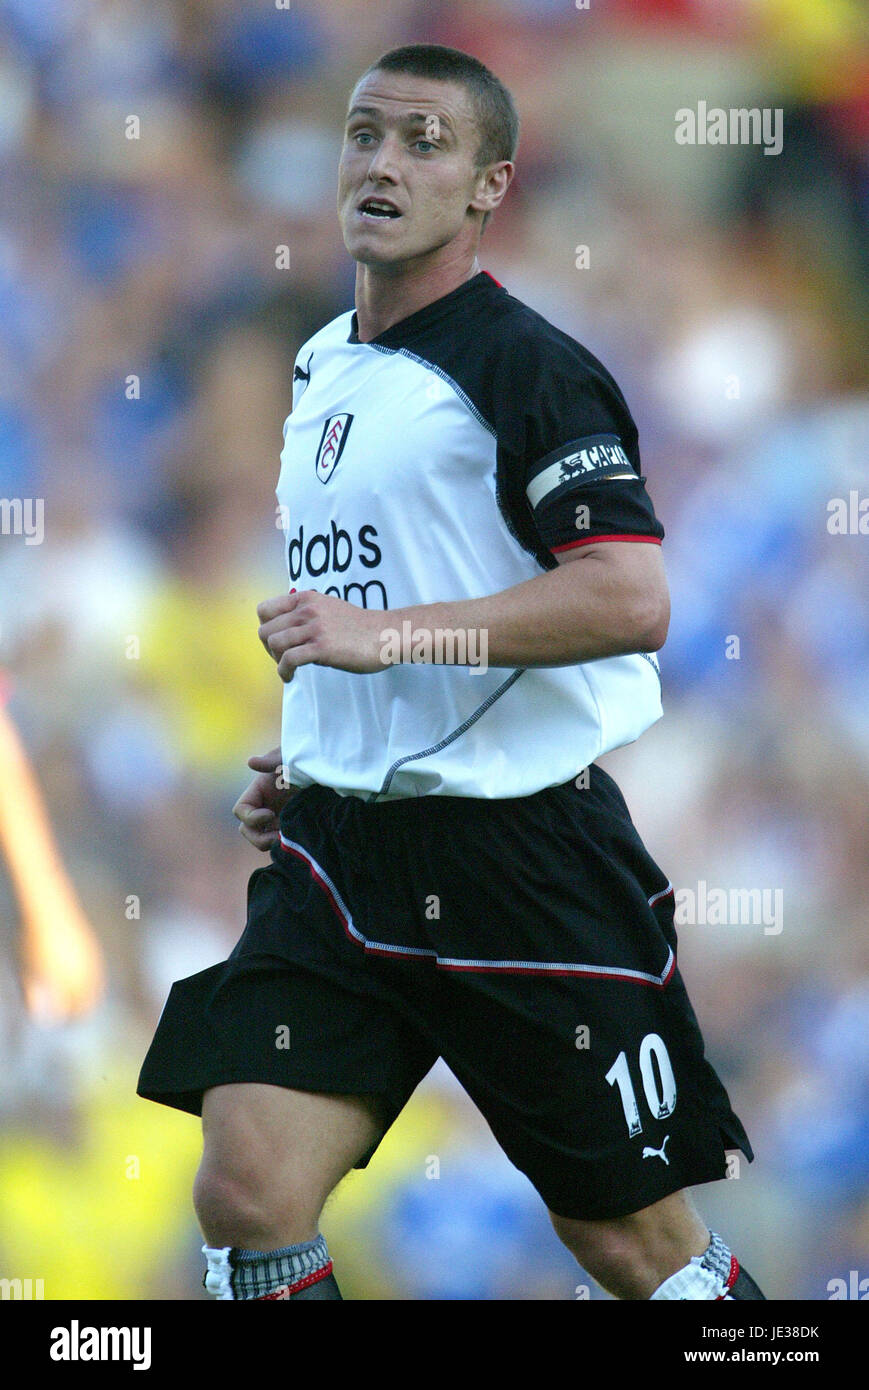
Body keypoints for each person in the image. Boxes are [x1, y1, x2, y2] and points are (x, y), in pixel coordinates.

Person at [138, 43, 765, 1302]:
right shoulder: (321, 366)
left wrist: (394, 641)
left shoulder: (527, 366)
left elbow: (627, 595)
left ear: (489, 186)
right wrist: (330, 742)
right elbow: (367, 598)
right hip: (342, 852)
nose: (381, 162)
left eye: (424, 142)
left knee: (629, 1244)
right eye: (364, 134)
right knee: (247, 1187)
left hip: (518, 858)